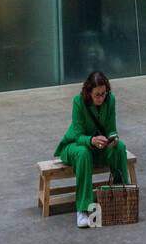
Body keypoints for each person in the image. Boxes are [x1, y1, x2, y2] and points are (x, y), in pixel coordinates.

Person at [54, 71, 130, 228]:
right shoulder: (78, 102)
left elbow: (111, 128)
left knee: (120, 147)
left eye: (103, 94)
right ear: (89, 92)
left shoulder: (111, 100)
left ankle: (120, 198)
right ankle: (82, 210)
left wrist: (113, 138)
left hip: (98, 147)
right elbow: (77, 135)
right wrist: (92, 140)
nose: (101, 98)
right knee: (83, 153)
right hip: (75, 146)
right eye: (97, 95)